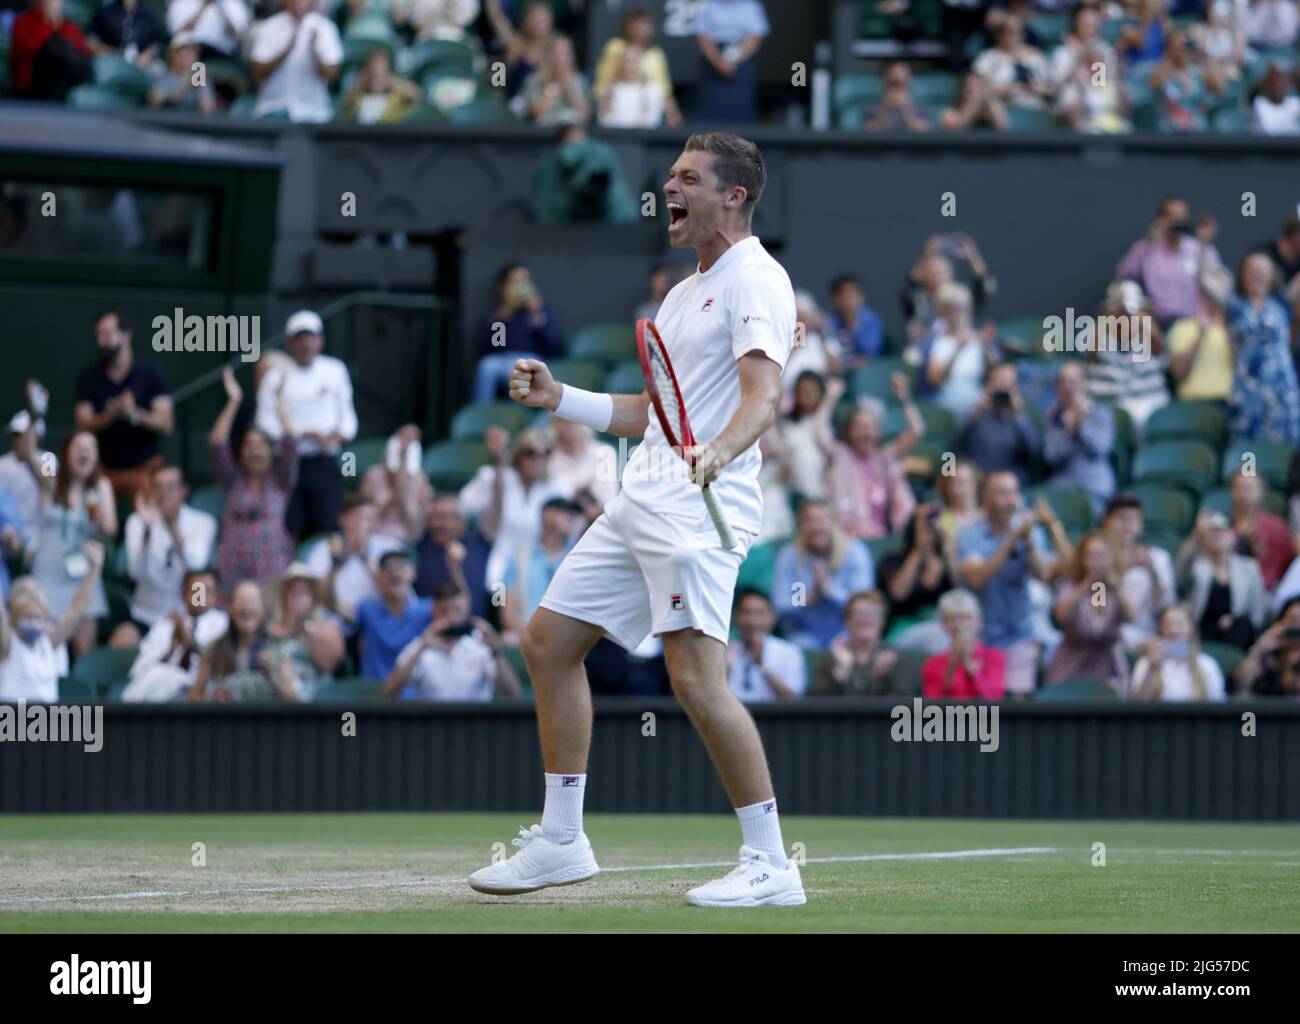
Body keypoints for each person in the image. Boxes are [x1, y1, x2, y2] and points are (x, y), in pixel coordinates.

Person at [469, 132, 806, 907]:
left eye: (688, 177)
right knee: (549, 644)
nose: (668, 188)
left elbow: (764, 397)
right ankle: (561, 841)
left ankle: (770, 862)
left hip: (698, 509)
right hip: (643, 497)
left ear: (735, 195)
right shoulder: (685, 290)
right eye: (669, 175)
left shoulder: (758, 279)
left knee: (694, 677)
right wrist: (562, 399)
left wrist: (719, 451)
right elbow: (654, 415)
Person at [958, 471, 1070, 697]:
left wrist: (1029, 544)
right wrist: (1011, 540)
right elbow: (977, 577)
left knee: (1017, 700)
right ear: (985, 499)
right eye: (1002, 494)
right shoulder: (969, 533)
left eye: (1013, 493)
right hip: (980, 634)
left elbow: (1044, 576)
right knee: (983, 700)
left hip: (1020, 632)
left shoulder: (1029, 532)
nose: (1010, 500)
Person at [255, 310, 358, 540]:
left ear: (320, 340)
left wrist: (334, 437)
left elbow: (348, 420)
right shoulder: (275, 374)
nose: (306, 344)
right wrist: (300, 435)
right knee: (290, 527)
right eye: (299, 338)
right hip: (287, 463)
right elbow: (265, 420)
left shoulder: (335, 370)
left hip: (326, 460)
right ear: (289, 343)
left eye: (310, 337)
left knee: (328, 525)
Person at [209, 367, 298, 598]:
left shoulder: (280, 480)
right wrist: (234, 402)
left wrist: (279, 401)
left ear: (271, 452)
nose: (255, 451)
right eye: (249, 445)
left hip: (272, 559)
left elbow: (290, 442)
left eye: (261, 445)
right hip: (233, 558)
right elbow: (217, 444)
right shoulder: (234, 480)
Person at [31, 432, 115, 662]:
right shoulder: (51, 479)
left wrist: (100, 524)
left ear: (97, 456)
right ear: (66, 452)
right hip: (47, 577)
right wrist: (35, 418)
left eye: (91, 447)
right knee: (43, 651)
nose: (84, 452)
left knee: (84, 655)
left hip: (82, 577)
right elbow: (35, 458)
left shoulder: (100, 486)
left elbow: (111, 528)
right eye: (78, 447)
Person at [74, 311, 173, 505]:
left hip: (144, 468)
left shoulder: (151, 373)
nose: (101, 341)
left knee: (148, 516)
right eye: (99, 335)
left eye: (107, 334)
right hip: (103, 468)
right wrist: (108, 416)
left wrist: (134, 414)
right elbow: (82, 423)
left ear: (126, 334)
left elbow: (166, 423)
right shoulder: (90, 376)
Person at [459, 426, 572, 592]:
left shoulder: (558, 487)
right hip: (499, 560)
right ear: (519, 455)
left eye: (545, 453)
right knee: (499, 601)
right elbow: (464, 505)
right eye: (531, 453)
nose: (538, 459)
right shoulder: (494, 476)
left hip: (540, 564)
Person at [120, 463, 218, 645]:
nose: (164, 493)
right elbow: (136, 572)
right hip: (145, 613)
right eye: (158, 487)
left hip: (188, 615)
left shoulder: (204, 522)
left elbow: (196, 565)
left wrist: (173, 526)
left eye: (171, 486)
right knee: (121, 641)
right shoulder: (138, 521)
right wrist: (147, 531)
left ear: (183, 490)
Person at [0, 543, 104, 702]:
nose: (34, 623)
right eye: (28, 617)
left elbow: (78, 608)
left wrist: (95, 568)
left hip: (48, 723)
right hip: (11, 722)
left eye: (38, 618)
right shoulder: (6, 644)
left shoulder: (48, 642)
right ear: (14, 618)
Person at [384, 581, 522, 700]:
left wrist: (496, 653)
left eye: (457, 610)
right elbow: (390, 691)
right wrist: (422, 647)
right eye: (444, 611)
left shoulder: (481, 646)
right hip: (432, 726)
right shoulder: (420, 645)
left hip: (476, 725)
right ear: (433, 611)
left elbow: (513, 695)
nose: (451, 618)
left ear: (467, 611)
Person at [772, 498, 875, 649]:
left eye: (821, 520)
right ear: (801, 526)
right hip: (804, 634)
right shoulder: (791, 556)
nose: (815, 527)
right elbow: (781, 605)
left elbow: (864, 604)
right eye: (808, 521)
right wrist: (807, 598)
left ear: (834, 523)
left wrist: (829, 590)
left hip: (846, 632)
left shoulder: (854, 553)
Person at [826, 377, 922, 540]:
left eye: (870, 427)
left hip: (881, 538)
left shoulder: (883, 456)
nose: (865, 432)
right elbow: (819, 430)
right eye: (860, 427)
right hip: (848, 539)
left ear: (878, 433)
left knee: (896, 470)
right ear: (849, 432)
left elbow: (917, 431)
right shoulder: (840, 454)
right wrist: (830, 397)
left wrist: (904, 397)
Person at [1043, 531, 1134, 691]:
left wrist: (1116, 589)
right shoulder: (1072, 587)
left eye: (1101, 555)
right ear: (1082, 559)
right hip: (1071, 667)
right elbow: (1061, 616)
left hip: (1107, 669)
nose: (1097, 561)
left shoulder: (1111, 588)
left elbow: (1131, 616)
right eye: (1091, 555)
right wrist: (1087, 583)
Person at [121, 568, 228, 702]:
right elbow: (140, 670)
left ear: (216, 595)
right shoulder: (166, 624)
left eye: (206, 591)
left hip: (200, 690)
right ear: (183, 594)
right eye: (195, 591)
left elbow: (222, 668)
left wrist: (190, 642)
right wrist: (171, 649)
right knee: (156, 676)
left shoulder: (224, 624)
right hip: (160, 686)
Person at [1116, 199, 1223, 327]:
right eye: (1172, 217)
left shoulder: (1198, 248)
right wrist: (1148, 243)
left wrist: (1204, 242)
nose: (1177, 222)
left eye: (1182, 217)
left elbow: (1218, 286)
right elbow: (1123, 273)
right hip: (1156, 321)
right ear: (1161, 219)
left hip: (1192, 323)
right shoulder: (1148, 248)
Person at [188, 580, 298, 702]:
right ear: (229, 607)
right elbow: (194, 694)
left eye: (252, 601)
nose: (246, 606)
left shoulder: (280, 649)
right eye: (240, 600)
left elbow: (292, 698)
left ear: (263, 609)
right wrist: (210, 699)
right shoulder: (213, 650)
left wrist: (273, 674)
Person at [1176, 509, 1268, 650]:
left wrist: (1234, 620)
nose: (1218, 535)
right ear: (1204, 537)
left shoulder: (1249, 567)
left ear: (1233, 536)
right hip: (1201, 632)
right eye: (1213, 531)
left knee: (1241, 625)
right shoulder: (1196, 566)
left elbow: (1257, 612)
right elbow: (1181, 573)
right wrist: (1195, 535)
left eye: (1223, 530)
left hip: (1237, 634)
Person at [304, 493, 401, 625]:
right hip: (336, 620)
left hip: (379, 619)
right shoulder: (323, 549)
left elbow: (397, 593)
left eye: (372, 518)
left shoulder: (389, 546)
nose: (366, 524)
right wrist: (337, 561)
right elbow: (316, 595)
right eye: (361, 517)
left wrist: (364, 555)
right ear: (343, 519)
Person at [473, 263, 562, 404]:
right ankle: (481, 413)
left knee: (520, 370)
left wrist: (536, 314)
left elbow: (553, 347)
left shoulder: (540, 313)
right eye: (515, 282)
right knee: (487, 365)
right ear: (502, 287)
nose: (521, 287)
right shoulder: (498, 315)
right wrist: (504, 315)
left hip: (532, 360)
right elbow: (492, 348)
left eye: (525, 282)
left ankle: (519, 418)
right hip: (502, 359)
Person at [1099, 492, 1176, 652]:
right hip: (1104, 634)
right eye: (1121, 518)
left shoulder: (1158, 558)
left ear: (1141, 525)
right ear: (1106, 522)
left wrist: (1152, 572)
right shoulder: (1095, 557)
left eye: (1133, 519)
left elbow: (1166, 605)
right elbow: (1095, 603)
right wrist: (1120, 569)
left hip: (1146, 635)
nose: (1127, 525)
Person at [499, 496, 580, 644]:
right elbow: (505, 607)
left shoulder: (579, 556)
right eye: (564, 512)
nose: (571, 517)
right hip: (526, 635)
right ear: (547, 516)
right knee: (508, 638)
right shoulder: (518, 557)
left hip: (570, 638)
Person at [878, 502, 955, 654]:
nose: (932, 524)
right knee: (941, 635)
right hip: (905, 630)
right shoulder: (894, 560)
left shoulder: (947, 560)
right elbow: (898, 593)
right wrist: (919, 549)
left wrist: (947, 545)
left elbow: (961, 588)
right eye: (927, 520)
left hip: (944, 627)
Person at [249, 0, 342, 123]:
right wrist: (285, 52)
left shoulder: (325, 27)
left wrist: (315, 53)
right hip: (273, 110)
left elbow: (333, 75)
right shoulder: (269, 26)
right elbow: (256, 73)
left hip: (315, 113)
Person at [1042, 361, 1115, 516]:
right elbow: (1051, 457)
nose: (1067, 386)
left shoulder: (1100, 414)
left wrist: (1081, 426)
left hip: (1094, 487)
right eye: (1062, 381)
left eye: (1072, 381)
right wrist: (1069, 431)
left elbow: (1100, 448)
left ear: (1084, 384)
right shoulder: (1052, 417)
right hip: (1064, 486)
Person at [265, 563, 347, 700]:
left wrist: (305, 625)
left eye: (304, 592)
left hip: (315, 703)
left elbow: (330, 663)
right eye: (292, 591)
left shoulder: (325, 626)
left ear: (314, 598)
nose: (297, 597)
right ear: (283, 595)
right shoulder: (268, 627)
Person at [593, 7, 682, 128]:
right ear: (628, 26)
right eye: (638, 24)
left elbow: (664, 91)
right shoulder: (614, 47)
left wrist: (675, 120)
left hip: (646, 106)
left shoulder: (656, 54)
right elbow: (602, 84)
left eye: (646, 24)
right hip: (616, 103)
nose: (642, 29)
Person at [809, 589, 908, 696]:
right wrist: (841, 672)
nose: (866, 618)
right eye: (859, 613)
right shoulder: (830, 658)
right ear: (847, 621)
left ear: (882, 620)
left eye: (872, 613)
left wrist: (886, 677)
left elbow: (904, 706)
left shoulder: (895, 658)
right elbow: (816, 704)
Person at [956, 361, 1038, 486]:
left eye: (1009, 383)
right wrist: (976, 412)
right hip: (979, 482)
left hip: (1010, 484)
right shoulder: (975, 411)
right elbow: (955, 444)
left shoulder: (1022, 416)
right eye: (999, 381)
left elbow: (1035, 453)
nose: (1003, 388)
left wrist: (1018, 415)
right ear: (989, 383)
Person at [356, 549, 433, 681]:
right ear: (378, 576)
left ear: (413, 573)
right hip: (372, 693)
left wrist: (455, 567)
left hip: (413, 694)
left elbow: (458, 610)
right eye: (388, 568)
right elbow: (338, 612)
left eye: (402, 567)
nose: (395, 573)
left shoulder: (427, 609)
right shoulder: (366, 608)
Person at [925, 282, 995, 423]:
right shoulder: (936, 341)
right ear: (942, 312)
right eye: (949, 309)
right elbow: (935, 380)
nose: (955, 314)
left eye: (960, 308)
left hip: (979, 399)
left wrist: (987, 346)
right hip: (949, 403)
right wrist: (957, 350)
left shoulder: (978, 339)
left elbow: (993, 374)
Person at [414, 494, 491, 618]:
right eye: (431, 518)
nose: (435, 524)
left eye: (443, 518)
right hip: (428, 627)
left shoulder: (479, 544)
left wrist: (455, 567)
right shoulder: (423, 543)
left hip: (475, 627)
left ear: (461, 520)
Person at [921, 588, 1006, 699]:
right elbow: (931, 708)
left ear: (978, 622)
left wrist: (971, 670)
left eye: (965, 617)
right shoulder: (932, 665)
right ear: (944, 625)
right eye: (950, 619)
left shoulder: (994, 657)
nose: (958, 625)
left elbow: (995, 700)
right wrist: (951, 668)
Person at [1131, 603, 1227, 701]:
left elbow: (1217, 705)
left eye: (1179, 624)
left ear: (1191, 629)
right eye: (1167, 624)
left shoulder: (1207, 664)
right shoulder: (1146, 662)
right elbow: (1136, 705)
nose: (1173, 630)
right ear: (1160, 629)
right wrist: (1151, 668)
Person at [693, 0, 768, 123]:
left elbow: (755, 36)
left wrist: (734, 60)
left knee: (740, 113)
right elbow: (702, 36)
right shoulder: (706, 5)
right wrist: (718, 62)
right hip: (713, 63)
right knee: (710, 115)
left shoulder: (751, 5)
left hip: (741, 61)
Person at [1165, 269, 1234, 402]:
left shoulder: (1235, 328)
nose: (1212, 299)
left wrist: (1229, 327)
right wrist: (1201, 334)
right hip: (1192, 404)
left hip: (1229, 402)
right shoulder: (1182, 327)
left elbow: (1244, 368)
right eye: (1207, 293)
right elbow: (1179, 372)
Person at [726, 588, 806, 702]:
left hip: (773, 716)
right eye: (746, 612)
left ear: (771, 618)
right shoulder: (726, 650)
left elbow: (792, 699)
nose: (752, 620)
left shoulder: (789, 652)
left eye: (759, 613)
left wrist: (763, 666)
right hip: (732, 715)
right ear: (736, 617)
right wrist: (727, 669)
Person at [358, 425, 433, 545]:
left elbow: (416, 529)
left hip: (405, 541)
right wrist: (391, 498)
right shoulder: (372, 475)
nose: (404, 446)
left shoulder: (421, 480)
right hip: (374, 537)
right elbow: (364, 518)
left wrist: (403, 493)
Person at [9, 0, 92, 101]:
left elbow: (80, 47)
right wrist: (48, 21)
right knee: (53, 45)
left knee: (66, 49)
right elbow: (31, 49)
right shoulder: (22, 21)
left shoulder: (66, 24)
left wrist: (58, 22)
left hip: (61, 80)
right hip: (31, 81)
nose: (50, 2)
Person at [775, 371, 839, 501]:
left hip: (820, 490)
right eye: (802, 391)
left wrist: (830, 399)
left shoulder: (827, 427)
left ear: (821, 393)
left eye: (812, 391)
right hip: (791, 488)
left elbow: (830, 454)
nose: (807, 396)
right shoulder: (785, 424)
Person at [1228, 468, 1292, 592]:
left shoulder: (1276, 526)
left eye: (1249, 489)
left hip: (1266, 591)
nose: (1243, 494)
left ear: (1261, 492)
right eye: (1238, 488)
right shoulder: (1222, 525)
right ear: (1231, 492)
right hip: (1228, 590)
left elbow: (1287, 565)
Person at [483, 0, 556, 99]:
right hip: (511, 99)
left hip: (540, 102)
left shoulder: (555, 48)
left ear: (550, 21)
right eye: (533, 18)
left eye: (542, 19)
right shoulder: (514, 42)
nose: (538, 23)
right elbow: (496, 17)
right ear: (525, 21)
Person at [1234, 597, 1300, 696]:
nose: (1298, 627)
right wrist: (1259, 651)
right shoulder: (1269, 660)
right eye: (1293, 620)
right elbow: (1239, 686)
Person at [520, 33, 590, 127]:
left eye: (566, 55)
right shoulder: (533, 80)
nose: (561, 60)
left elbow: (585, 115)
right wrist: (554, 88)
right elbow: (536, 113)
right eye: (556, 55)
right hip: (544, 133)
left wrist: (569, 87)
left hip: (573, 133)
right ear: (547, 56)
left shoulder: (580, 80)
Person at [0, 409, 46, 547]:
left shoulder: (49, 461)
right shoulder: (2, 464)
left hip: (42, 536)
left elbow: (51, 490)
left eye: (24, 435)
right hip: (8, 537)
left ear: (38, 438)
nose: (19, 440)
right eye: (16, 435)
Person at [339, 46, 421, 124]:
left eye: (381, 75)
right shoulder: (359, 97)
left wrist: (391, 80)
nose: (376, 80)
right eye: (372, 74)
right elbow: (345, 104)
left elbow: (416, 94)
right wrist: (361, 80)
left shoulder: (396, 97)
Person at [148, 31, 217, 112]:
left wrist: (201, 86)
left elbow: (208, 112)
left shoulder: (200, 78)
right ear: (172, 54)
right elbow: (156, 102)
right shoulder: (159, 73)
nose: (189, 55)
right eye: (184, 50)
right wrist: (185, 84)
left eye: (193, 51)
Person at [826, 274, 884, 369]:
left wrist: (853, 323)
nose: (846, 301)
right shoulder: (831, 321)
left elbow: (870, 353)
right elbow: (831, 353)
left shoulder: (871, 319)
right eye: (841, 295)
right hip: (842, 374)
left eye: (850, 295)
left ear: (860, 297)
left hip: (868, 372)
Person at [166, 0, 251, 59]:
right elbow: (179, 33)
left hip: (221, 52)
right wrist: (204, 6)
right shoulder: (182, 2)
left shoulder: (234, 4)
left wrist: (221, 8)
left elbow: (238, 36)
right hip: (191, 48)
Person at [88, 0, 164, 64]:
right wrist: (111, 53)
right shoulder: (105, 12)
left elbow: (157, 43)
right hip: (111, 64)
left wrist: (147, 55)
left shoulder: (147, 16)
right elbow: (91, 41)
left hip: (140, 66)